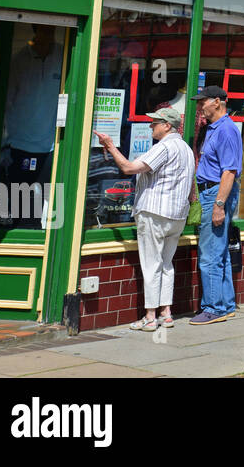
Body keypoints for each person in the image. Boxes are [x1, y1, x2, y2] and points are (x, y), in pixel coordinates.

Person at [94, 107, 194, 331]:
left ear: (167, 125)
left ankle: (150, 316)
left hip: (155, 212)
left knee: (151, 265)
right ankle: (166, 313)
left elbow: (129, 168)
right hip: (177, 215)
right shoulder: (186, 149)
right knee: (166, 264)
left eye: (155, 123)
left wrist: (110, 146)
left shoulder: (165, 147)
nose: (151, 126)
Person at [0, 24, 63, 228]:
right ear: (36, 31)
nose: (48, 36)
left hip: (51, 145)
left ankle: (43, 237)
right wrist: (4, 141)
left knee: (48, 199)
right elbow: (5, 102)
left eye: (51, 31)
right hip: (19, 145)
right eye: (44, 31)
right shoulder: (19, 60)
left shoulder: (63, 55)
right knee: (16, 199)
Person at [190, 85, 243, 325]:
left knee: (210, 254)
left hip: (216, 193)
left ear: (219, 101)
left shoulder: (226, 130)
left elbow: (229, 171)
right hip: (211, 192)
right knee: (218, 252)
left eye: (204, 101)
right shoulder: (213, 129)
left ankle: (213, 308)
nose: (201, 106)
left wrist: (219, 204)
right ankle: (226, 305)